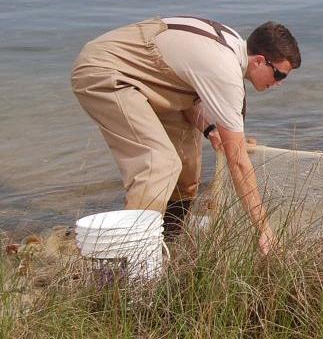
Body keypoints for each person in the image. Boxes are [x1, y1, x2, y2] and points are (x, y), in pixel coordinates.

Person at [71, 17, 300, 254]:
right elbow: (239, 162)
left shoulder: (231, 47)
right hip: (104, 71)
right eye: (279, 75)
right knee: (159, 163)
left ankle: (169, 240)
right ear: (260, 61)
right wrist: (264, 229)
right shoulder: (224, 70)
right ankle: (133, 256)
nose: (279, 84)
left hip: (148, 77)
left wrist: (211, 131)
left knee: (186, 163)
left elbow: (184, 83)